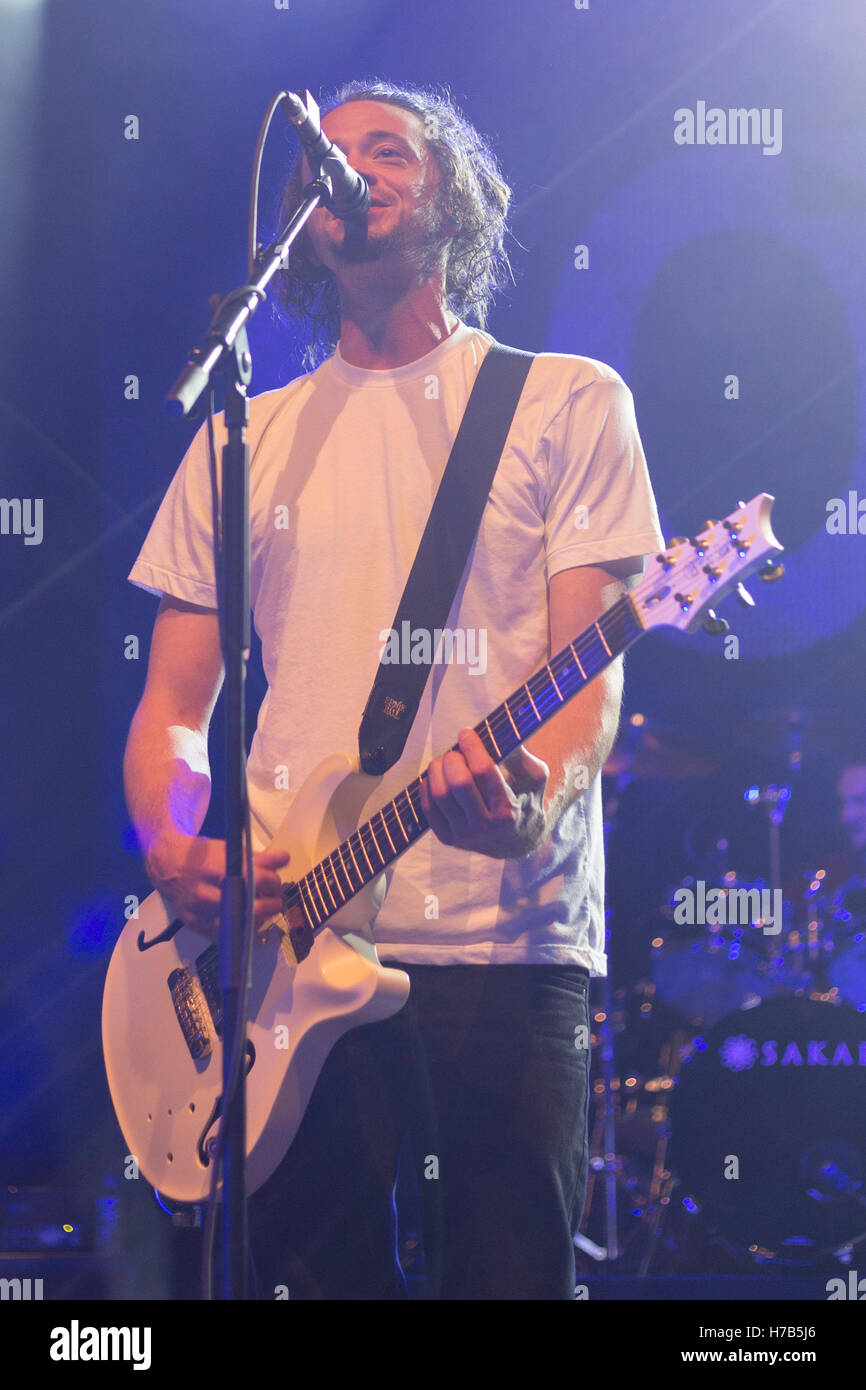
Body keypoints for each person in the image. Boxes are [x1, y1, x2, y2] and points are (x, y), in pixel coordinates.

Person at [123, 78, 663, 1300]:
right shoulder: (243, 437)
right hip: (275, 960)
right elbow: (169, 709)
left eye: (387, 150)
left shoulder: (566, 401)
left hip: (500, 950)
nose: (351, 168)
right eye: (333, 154)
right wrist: (169, 837)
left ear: (453, 195)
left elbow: (588, 685)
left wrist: (533, 797)